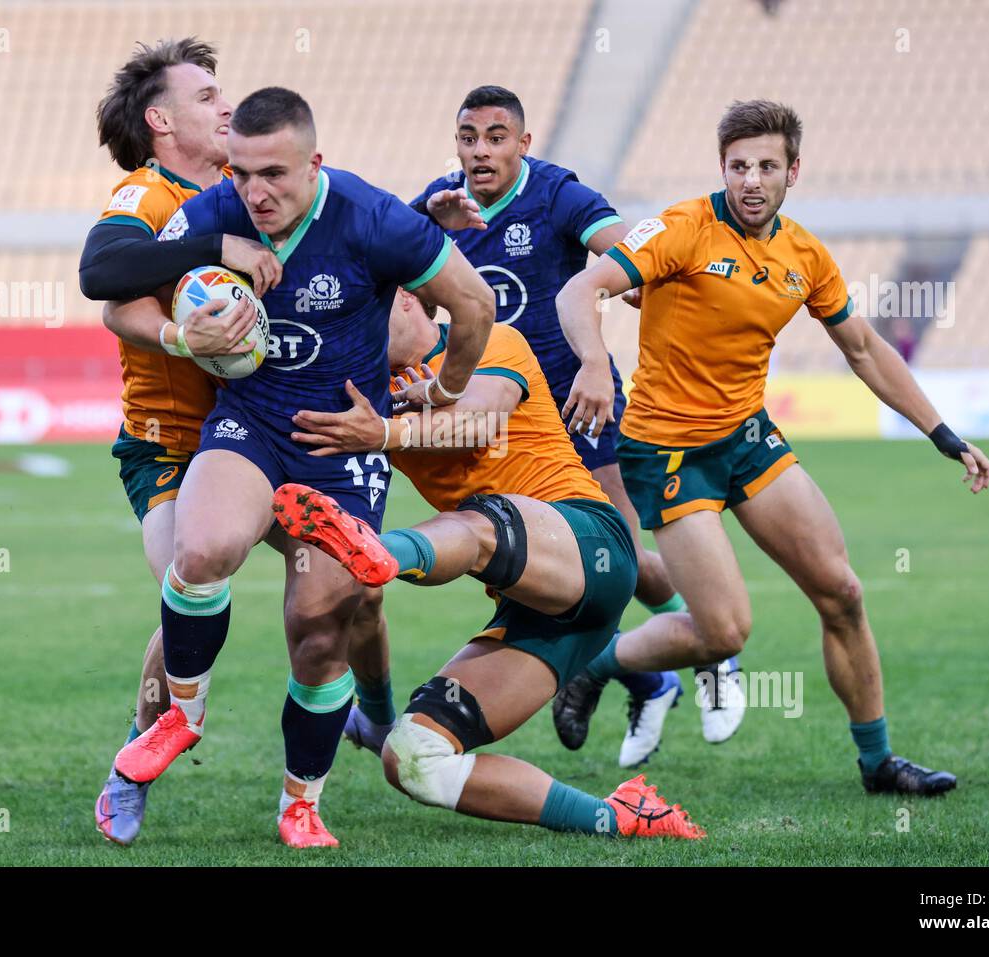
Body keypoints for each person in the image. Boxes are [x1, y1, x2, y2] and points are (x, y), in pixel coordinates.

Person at [553, 99, 989, 796]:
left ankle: (878, 762)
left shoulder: (806, 255)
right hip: (668, 450)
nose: (751, 179)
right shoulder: (680, 229)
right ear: (721, 167)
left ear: (794, 170)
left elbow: (864, 349)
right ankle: (599, 664)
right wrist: (591, 363)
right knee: (724, 632)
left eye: (765, 165)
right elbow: (583, 288)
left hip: (747, 437)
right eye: (737, 166)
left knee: (842, 591)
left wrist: (942, 432)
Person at [110, 87, 496, 848]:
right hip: (249, 423)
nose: (255, 192)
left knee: (320, 626)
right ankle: (181, 714)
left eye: (275, 175)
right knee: (201, 549)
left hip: (340, 450)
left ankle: (300, 801)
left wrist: (442, 391)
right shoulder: (215, 212)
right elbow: (117, 303)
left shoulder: (371, 217)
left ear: (315, 164)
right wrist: (183, 334)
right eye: (242, 172)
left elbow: (475, 304)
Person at [275, 291, 705, 840]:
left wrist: (385, 433)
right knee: (414, 758)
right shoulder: (371, 395)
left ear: (407, 299)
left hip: (588, 541)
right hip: (537, 609)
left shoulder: (489, 341)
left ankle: (382, 552)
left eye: (365, 309)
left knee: (479, 522)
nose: (352, 328)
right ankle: (620, 816)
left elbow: (478, 423)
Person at [400, 85, 742, 766]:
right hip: (496, 418)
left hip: (575, 404)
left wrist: (626, 303)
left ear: (523, 144)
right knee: (535, 571)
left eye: (496, 137)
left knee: (617, 552)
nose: (480, 151)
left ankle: (707, 650)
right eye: (469, 137)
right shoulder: (440, 202)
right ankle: (647, 676)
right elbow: (384, 264)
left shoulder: (556, 193)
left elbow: (620, 250)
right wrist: (425, 218)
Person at [76, 37, 274, 845]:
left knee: (347, 599)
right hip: (167, 445)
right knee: (191, 584)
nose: (227, 107)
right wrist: (211, 254)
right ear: (161, 121)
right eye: (207, 96)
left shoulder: (249, 186)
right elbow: (104, 274)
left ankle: (371, 713)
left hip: (264, 434)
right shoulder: (146, 193)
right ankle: (137, 754)